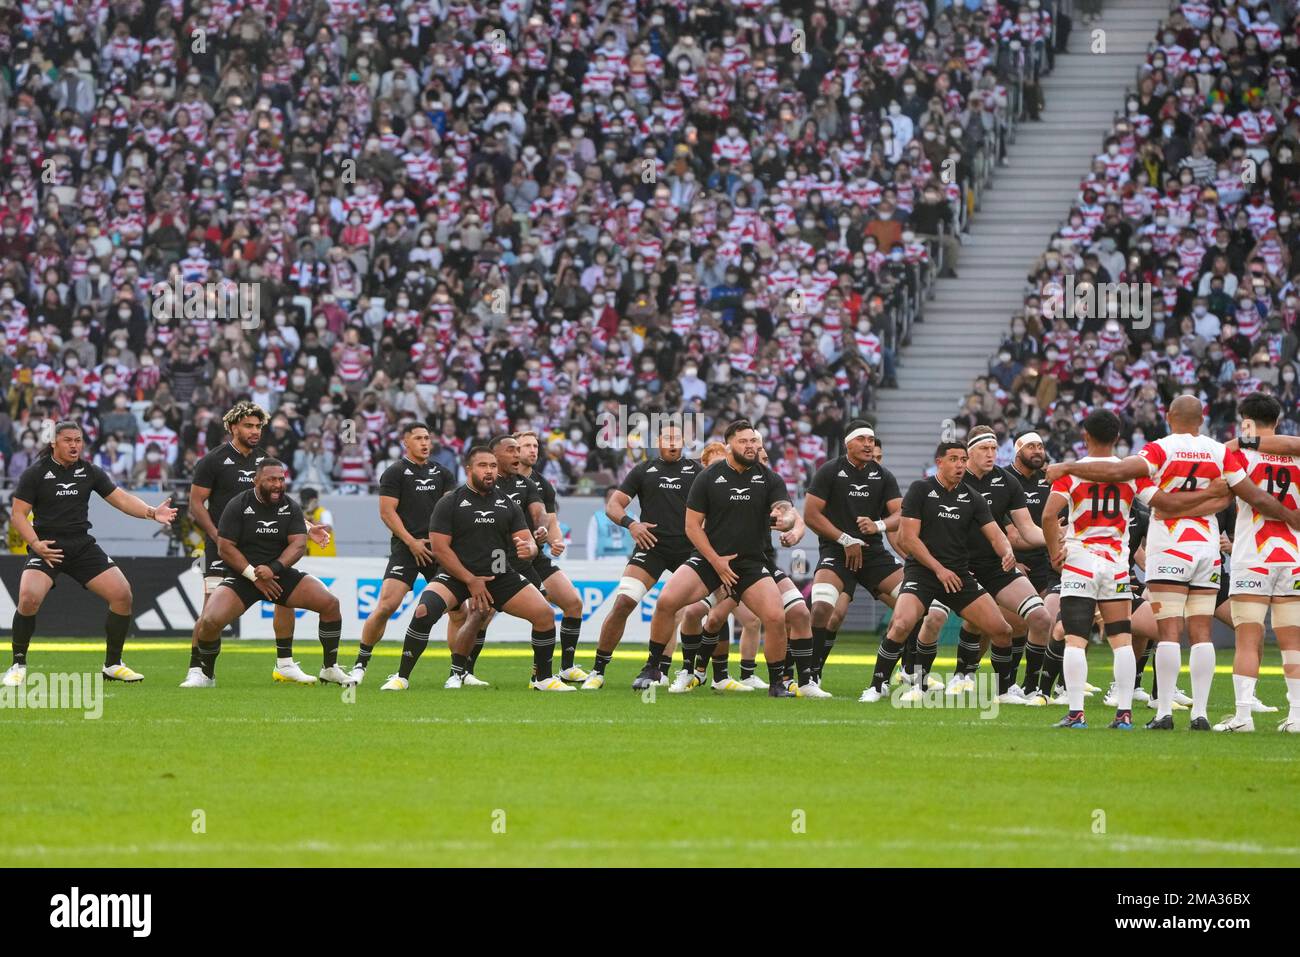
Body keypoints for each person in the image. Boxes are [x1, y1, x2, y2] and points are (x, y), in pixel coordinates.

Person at [1046, 394, 1300, 729]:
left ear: (1168, 416)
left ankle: (1165, 712)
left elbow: (1129, 477)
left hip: (1169, 548)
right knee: (1202, 633)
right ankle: (1201, 715)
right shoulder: (1220, 451)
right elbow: (1246, 495)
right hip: (1209, 548)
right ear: (1203, 417)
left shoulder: (1160, 449)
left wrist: (1068, 467)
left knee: (1168, 633)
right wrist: (1287, 516)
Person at [1041, 409, 1222, 729]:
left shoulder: (1071, 473)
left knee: (1075, 640)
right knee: (1122, 641)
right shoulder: (1131, 473)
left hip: (1081, 561)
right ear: (1118, 438)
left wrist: (1055, 553)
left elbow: (1048, 516)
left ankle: (1076, 714)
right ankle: (1124, 714)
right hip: (1115, 564)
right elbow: (1159, 502)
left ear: (1085, 436)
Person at [377, 445, 572, 692]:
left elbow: (526, 540)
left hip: (499, 575)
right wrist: (470, 580)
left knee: (544, 614)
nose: (489, 471)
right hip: (456, 575)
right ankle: (401, 676)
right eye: (483, 466)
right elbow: (440, 550)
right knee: (424, 611)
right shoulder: (450, 502)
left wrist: (530, 549)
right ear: (469, 469)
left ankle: (542, 679)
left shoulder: (506, 503)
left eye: (492, 466)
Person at [4, 421, 177, 687]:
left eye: (78, 440)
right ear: (54, 442)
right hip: (48, 546)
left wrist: (152, 512)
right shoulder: (36, 473)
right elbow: (18, 515)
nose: (74, 445)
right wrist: (36, 544)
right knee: (28, 599)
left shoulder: (90, 471)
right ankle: (18, 664)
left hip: (82, 546)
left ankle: (113, 665)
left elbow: (121, 498)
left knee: (122, 595)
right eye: (68, 440)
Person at [644, 419, 808, 698]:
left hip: (751, 563)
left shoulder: (768, 478)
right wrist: (716, 561)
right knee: (666, 602)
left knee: (775, 616)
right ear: (730, 443)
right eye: (744, 441)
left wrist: (788, 520)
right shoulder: (707, 477)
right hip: (710, 560)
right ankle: (653, 668)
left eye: (755, 441)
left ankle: (776, 683)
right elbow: (692, 527)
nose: (751, 446)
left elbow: (786, 509)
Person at [183, 401, 331, 688]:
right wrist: (217, 537)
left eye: (259, 426)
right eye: (249, 426)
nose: (255, 431)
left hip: (265, 545)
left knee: (284, 599)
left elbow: (279, 504)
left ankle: (285, 665)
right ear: (233, 427)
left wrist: (308, 528)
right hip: (223, 547)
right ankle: (198, 670)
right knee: (210, 609)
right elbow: (195, 505)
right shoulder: (213, 460)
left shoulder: (265, 462)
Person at [859, 441, 1017, 704]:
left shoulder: (972, 497)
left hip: (958, 576)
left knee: (1002, 630)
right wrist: (938, 569)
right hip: (923, 573)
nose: (960, 465)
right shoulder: (921, 490)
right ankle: (877, 686)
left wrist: (1007, 552)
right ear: (939, 462)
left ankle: (1004, 693)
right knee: (901, 624)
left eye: (963, 460)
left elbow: (995, 534)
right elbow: (909, 539)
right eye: (953, 459)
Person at [582, 422, 700, 690]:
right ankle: (598, 671)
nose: (672, 443)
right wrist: (631, 524)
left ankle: (668, 670)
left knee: (687, 609)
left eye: (676, 438)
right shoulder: (643, 470)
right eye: (667, 438)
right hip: (652, 546)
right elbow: (614, 505)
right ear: (658, 441)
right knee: (623, 603)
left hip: (688, 550)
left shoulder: (697, 471)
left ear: (684, 442)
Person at [1215, 394, 1300, 733]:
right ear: (1277, 421)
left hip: (1252, 556)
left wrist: (1241, 440)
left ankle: (1243, 717)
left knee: (1248, 640)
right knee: (1293, 642)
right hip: (1292, 557)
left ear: (1245, 421)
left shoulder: (1239, 454)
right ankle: (1296, 717)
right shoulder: (1296, 455)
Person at [349, 423, 453, 684]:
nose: (425, 443)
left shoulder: (443, 473)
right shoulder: (395, 472)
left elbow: (451, 513)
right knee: (386, 606)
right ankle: (360, 665)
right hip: (406, 549)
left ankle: (459, 673)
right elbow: (387, 512)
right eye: (418, 438)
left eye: (427, 438)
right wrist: (411, 542)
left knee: (459, 611)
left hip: (437, 550)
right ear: (405, 442)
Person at [585, 487, 637, 561]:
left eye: (616, 496)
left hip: (626, 559)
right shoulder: (596, 517)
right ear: (605, 499)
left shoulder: (632, 516)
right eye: (610, 496)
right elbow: (591, 542)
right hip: (603, 559)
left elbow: (637, 541)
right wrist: (591, 562)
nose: (613, 499)